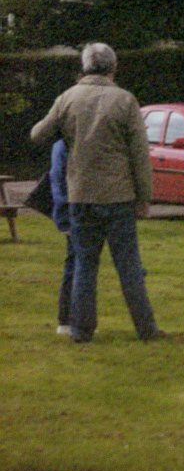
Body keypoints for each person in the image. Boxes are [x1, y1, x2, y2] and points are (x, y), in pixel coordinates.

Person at [29, 43, 163, 343]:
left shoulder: (68, 98)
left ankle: (80, 330)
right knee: (128, 265)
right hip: (118, 196)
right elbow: (140, 155)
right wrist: (144, 198)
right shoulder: (125, 101)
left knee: (84, 266)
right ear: (113, 68)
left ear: (85, 67)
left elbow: (38, 134)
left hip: (81, 196)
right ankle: (146, 329)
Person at [49, 138, 75, 336]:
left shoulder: (64, 144)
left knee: (75, 265)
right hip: (71, 213)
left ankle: (69, 319)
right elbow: (58, 182)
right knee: (75, 266)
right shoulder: (64, 146)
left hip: (71, 212)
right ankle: (66, 319)